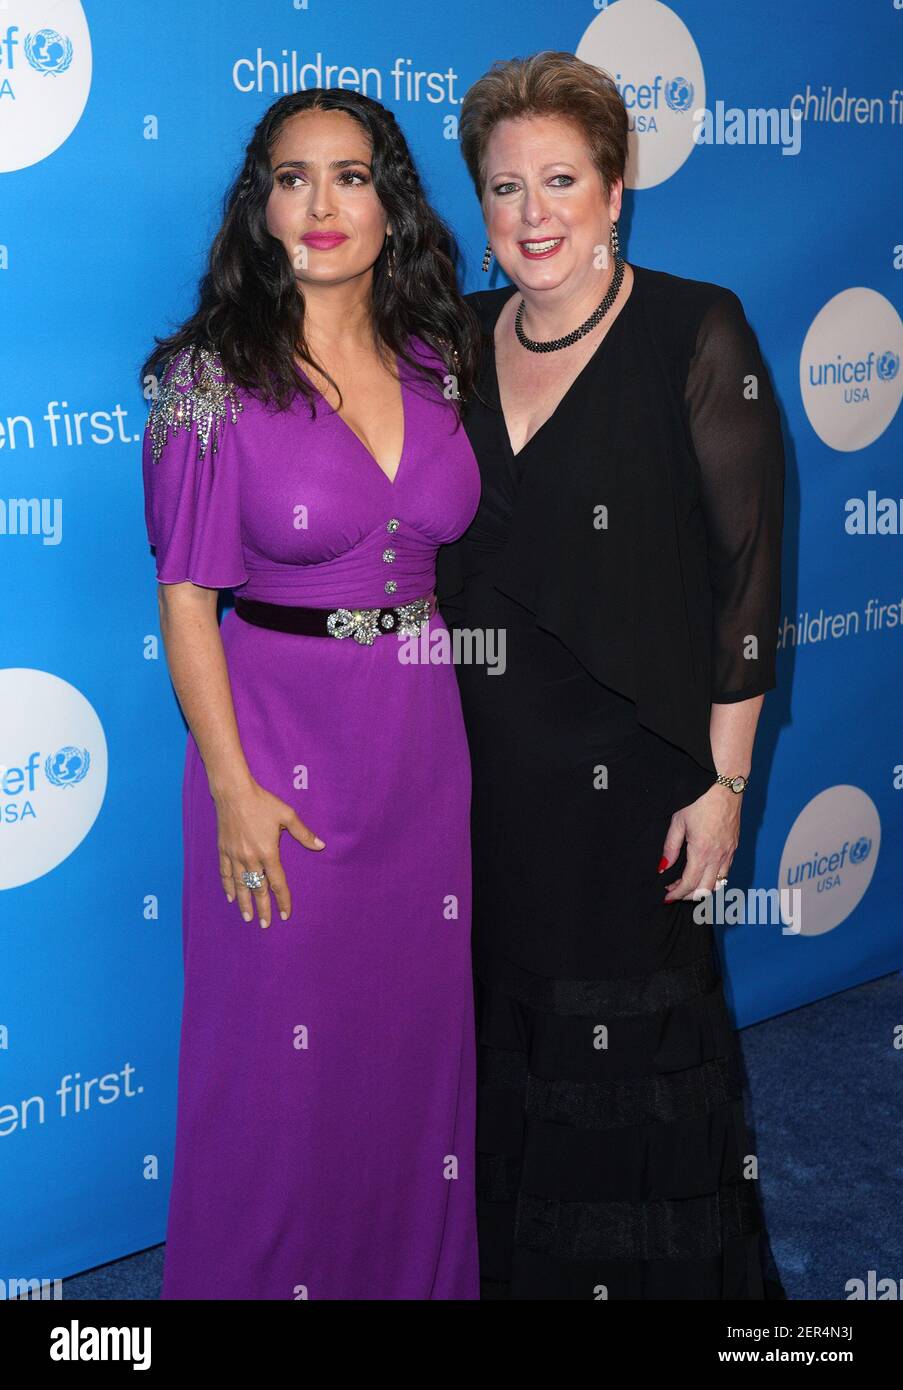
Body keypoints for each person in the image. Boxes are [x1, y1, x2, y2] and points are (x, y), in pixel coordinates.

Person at [436, 51, 787, 1300]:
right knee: (509, 1048)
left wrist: (723, 782)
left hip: (638, 779)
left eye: (562, 181)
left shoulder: (697, 328)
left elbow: (749, 578)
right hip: (479, 777)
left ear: (617, 186)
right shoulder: (458, 339)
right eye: (503, 187)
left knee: (632, 1059)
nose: (532, 215)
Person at [139, 88, 484, 1300]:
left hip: (423, 746)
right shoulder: (200, 376)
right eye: (294, 177)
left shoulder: (444, 357)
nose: (323, 203)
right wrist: (233, 788)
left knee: (412, 1059)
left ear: (391, 205)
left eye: (352, 176)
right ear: (261, 204)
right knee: (274, 1075)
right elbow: (188, 602)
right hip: (277, 753)